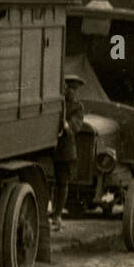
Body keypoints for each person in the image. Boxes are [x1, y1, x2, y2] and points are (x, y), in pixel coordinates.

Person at [51, 74, 86, 232]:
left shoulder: (78, 107)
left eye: (73, 89)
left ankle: (57, 215)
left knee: (62, 184)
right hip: (53, 148)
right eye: (68, 88)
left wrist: (67, 125)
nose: (70, 91)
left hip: (65, 150)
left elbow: (76, 125)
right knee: (52, 183)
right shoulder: (57, 103)